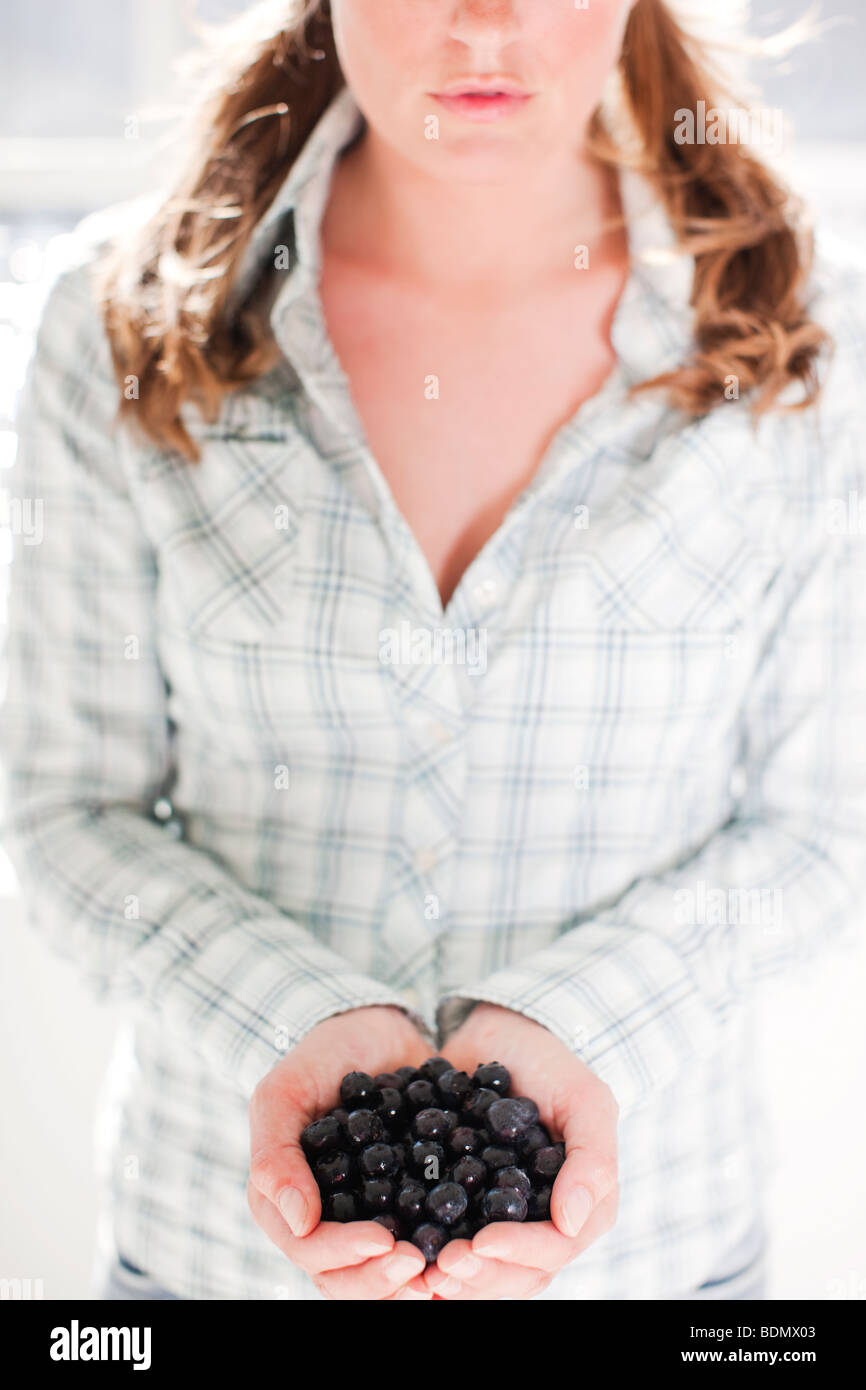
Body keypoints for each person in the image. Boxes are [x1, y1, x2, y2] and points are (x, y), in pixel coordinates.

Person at [2, 0, 865, 1302]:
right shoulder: (118, 321)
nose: (483, 21)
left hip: (659, 1269)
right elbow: (67, 802)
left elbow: (822, 825)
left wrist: (571, 1025)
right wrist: (294, 1023)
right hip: (208, 1266)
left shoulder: (801, 330)